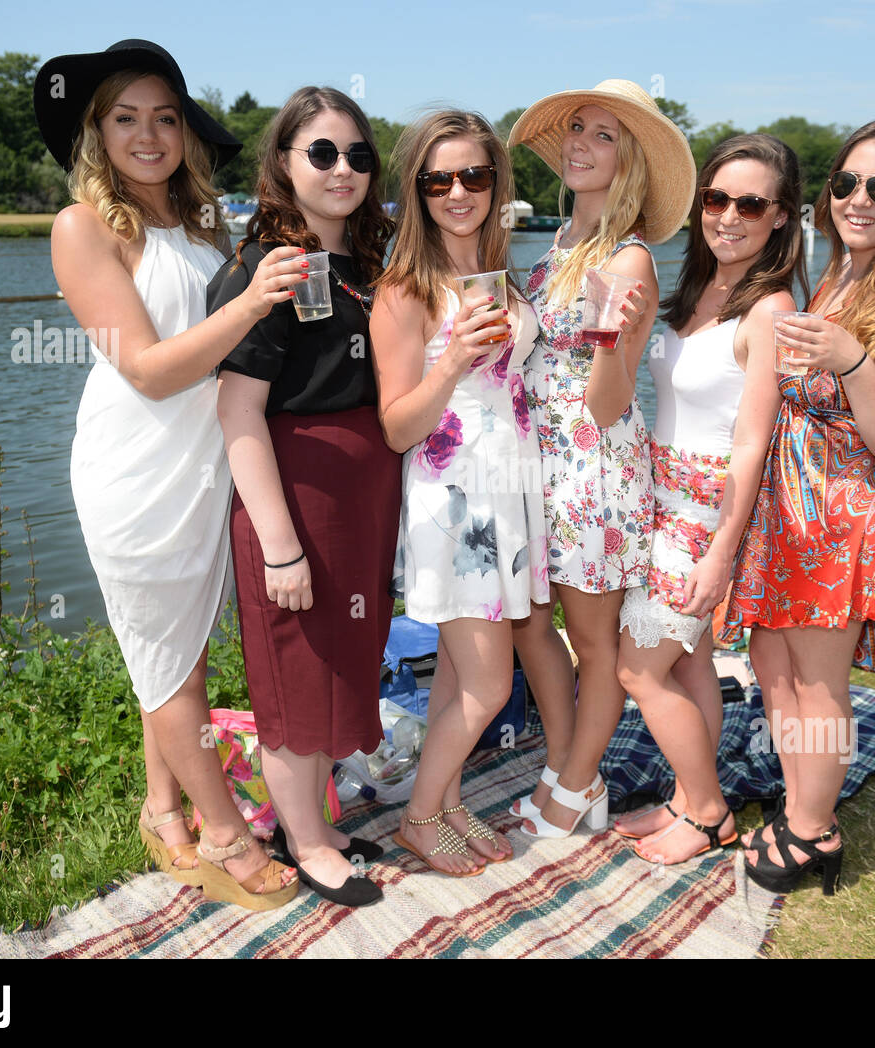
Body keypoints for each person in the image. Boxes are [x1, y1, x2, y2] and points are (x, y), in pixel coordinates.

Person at [36, 39, 301, 910]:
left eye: (165, 117)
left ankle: (162, 811)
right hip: (135, 472)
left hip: (202, 468)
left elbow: (230, 363)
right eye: (126, 118)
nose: (148, 135)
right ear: (96, 130)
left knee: (179, 659)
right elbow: (147, 369)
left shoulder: (197, 224)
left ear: (186, 131)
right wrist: (258, 297)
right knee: (165, 666)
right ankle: (225, 835)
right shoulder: (84, 227)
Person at [719, 119, 875, 894]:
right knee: (771, 668)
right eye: (846, 183)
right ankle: (799, 806)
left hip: (844, 519)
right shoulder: (838, 276)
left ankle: (814, 832)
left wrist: (851, 360)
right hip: (789, 509)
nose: (858, 199)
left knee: (819, 685)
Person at [210, 87, 398, 906]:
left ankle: (313, 820)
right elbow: (238, 412)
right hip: (295, 496)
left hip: (362, 502)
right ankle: (306, 840)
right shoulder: (263, 270)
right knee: (295, 671)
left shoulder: (364, 265)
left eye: (358, 155)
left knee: (341, 663)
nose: (343, 169)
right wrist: (280, 544)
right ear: (283, 165)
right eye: (321, 152)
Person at [505, 80, 695, 838]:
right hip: (542, 466)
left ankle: (578, 787)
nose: (581, 142)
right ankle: (565, 764)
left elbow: (610, 403)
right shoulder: (557, 246)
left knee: (594, 644)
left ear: (633, 161)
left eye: (604, 134)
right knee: (530, 623)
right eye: (576, 129)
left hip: (594, 474)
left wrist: (613, 336)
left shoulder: (629, 261)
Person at [614, 134, 808, 863]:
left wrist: (722, 552)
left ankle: (709, 814)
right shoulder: (694, 291)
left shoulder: (771, 309)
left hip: (704, 509)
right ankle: (684, 797)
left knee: (638, 666)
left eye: (750, 204)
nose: (728, 215)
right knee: (688, 664)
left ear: (782, 217)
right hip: (656, 494)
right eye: (716, 198)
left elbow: (753, 442)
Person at [371, 110, 545, 875]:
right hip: (457, 500)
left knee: (454, 669)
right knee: (486, 680)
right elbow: (397, 426)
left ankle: (443, 803)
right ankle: (417, 817)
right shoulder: (405, 290)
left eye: (474, 175)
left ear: (496, 182)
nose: (457, 192)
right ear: (417, 190)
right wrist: (452, 363)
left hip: (510, 490)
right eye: (437, 180)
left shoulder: (500, 274)